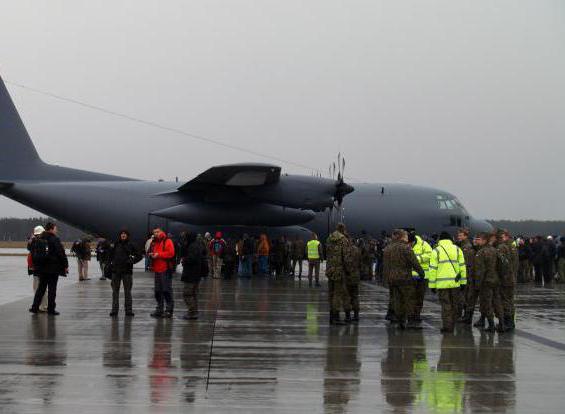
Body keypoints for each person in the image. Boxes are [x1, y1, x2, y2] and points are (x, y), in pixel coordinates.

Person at [382, 229, 425, 330]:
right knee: (409, 299)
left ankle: (400, 321)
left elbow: (385, 265)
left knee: (397, 300)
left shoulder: (388, 248)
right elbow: (414, 262)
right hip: (404, 278)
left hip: (392, 278)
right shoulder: (406, 248)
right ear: (402, 237)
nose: (407, 238)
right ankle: (410, 321)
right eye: (406, 236)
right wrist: (421, 273)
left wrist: (386, 278)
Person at [427, 232, 467, 333]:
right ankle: (452, 325)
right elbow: (462, 267)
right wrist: (463, 282)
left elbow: (432, 269)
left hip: (442, 284)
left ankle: (447, 327)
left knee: (446, 306)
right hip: (455, 283)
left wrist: (432, 285)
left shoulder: (436, 250)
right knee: (455, 305)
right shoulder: (458, 249)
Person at [29, 222, 68, 315]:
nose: (56, 230)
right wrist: (65, 265)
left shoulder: (40, 238)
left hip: (42, 268)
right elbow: (61, 253)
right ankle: (51, 309)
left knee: (41, 289)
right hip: (53, 268)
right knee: (52, 289)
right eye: (55, 228)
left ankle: (35, 307)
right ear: (51, 229)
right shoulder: (54, 239)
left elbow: (32, 250)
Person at [473, 232, 505, 332]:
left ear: (484, 240)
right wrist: (500, 276)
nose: (477, 241)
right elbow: (502, 265)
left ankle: (491, 324)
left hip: (486, 281)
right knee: (497, 302)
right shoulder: (495, 250)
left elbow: (479, 270)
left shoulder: (481, 252)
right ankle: (502, 324)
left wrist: (477, 284)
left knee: (487, 303)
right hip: (495, 280)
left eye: (479, 239)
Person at [107, 230, 142, 317]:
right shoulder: (115, 244)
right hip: (115, 271)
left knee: (128, 292)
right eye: (122, 234)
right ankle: (114, 310)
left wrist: (132, 261)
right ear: (119, 235)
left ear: (127, 235)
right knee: (115, 292)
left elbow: (139, 255)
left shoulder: (131, 245)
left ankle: (128, 311)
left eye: (125, 234)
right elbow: (109, 256)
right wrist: (110, 264)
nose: (123, 235)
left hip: (127, 272)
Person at [325, 223, 353, 325]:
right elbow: (346, 258)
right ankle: (336, 317)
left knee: (331, 293)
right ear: (343, 229)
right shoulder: (343, 240)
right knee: (338, 294)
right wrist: (349, 271)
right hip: (339, 270)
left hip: (330, 269)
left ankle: (331, 316)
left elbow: (327, 253)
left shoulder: (329, 239)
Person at [149, 228, 176, 318]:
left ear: (161, 232)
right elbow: (152, 252)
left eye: (157, 232)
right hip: (157, 269)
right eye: (154, 232)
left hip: (165, 269)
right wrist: (152, 255)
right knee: (157, 291)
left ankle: (169, 310)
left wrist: (158, 254)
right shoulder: (154, 242)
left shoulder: (167, 241)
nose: (156, 233)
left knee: (166, 290)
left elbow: (171, 253)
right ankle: (159, 309)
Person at [496, 229, 518, 329]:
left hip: (506, 278)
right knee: (510, 300)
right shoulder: (512, 247)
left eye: (502, 237)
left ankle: (508, 322)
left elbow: (504, 264)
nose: (501, 239)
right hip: (511, 277)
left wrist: (502, 275)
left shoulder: (503, 247)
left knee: (505, 300)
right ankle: (510, 321)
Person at [409, 232, 432, 325]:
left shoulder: (424, 244)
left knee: (420, 297)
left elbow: (430, 255)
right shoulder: (405, 245)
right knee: (410, 297)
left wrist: (417, 258)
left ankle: (417, 315)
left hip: (422, 276)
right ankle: (410, 315)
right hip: (410, 276)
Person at [456, 228, 478, 324]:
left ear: (465, 236)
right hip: (465, 275)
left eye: (461, 235)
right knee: (465, 297)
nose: (458, 237)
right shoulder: (462, 246)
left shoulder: (467, 247)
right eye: (458, 235)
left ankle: (467, 317)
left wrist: (463, 276)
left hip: (467, 276)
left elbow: (466, 264)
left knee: (467, 297)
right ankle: (466, 316)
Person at [181, 232, 204, 320]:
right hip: (196, 274)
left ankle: (192, 312)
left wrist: (185, 260)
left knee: (187, 294)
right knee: (193, 294)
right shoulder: (197, 245)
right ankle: (194, 312)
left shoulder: (192, 246)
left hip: (191, 274)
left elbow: (192, 259)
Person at [27, 226, 48, 312]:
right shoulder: (39, 242)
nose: (35, 237)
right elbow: (29, 248)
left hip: (39, 269)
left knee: (39, 288)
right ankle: (41, 305)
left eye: (36, 235)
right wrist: (30, 242)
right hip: (38, 269)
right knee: (38, 288)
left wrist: (32, 241)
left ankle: (43, 306)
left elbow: (33, 251)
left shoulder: (41, 242)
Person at [346, 240, 361, 322]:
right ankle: (356, 315)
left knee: (347, 296)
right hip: (355, 275)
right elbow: (360, 262)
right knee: (355, 296)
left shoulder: (345, 249)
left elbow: (344, 262)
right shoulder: (357, 249)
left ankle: (347, 316)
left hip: (347, 276)